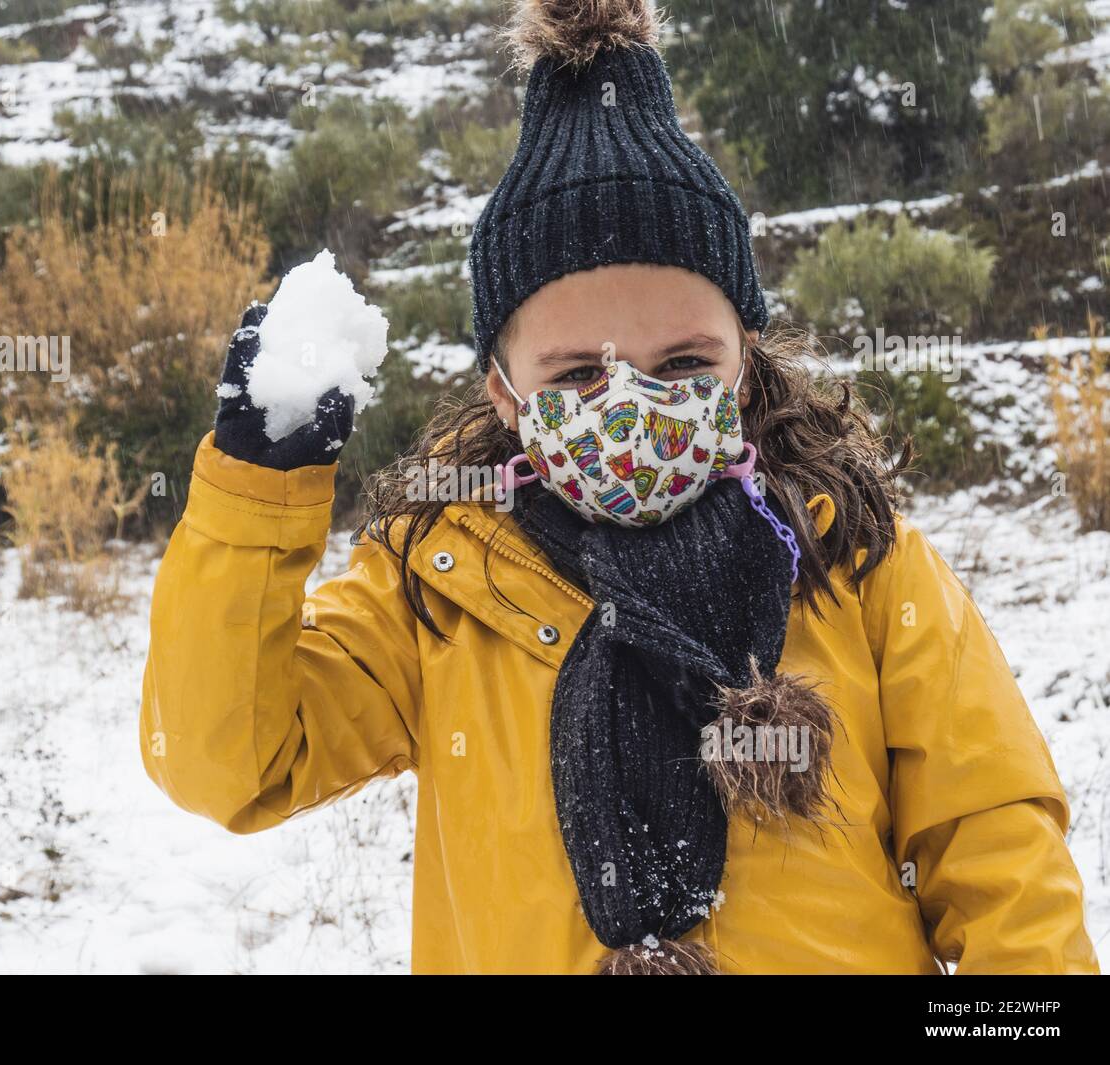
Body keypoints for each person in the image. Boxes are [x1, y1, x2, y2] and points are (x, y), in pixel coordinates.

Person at [138, 0, 1098, 974]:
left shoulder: (852, 556)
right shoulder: (435, 585)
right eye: (577, 377)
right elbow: (230, 764)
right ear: (505, 395)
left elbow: (996, 852)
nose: (631, 405)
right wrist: (260, 491)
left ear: (745, 356)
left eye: (683, 362)